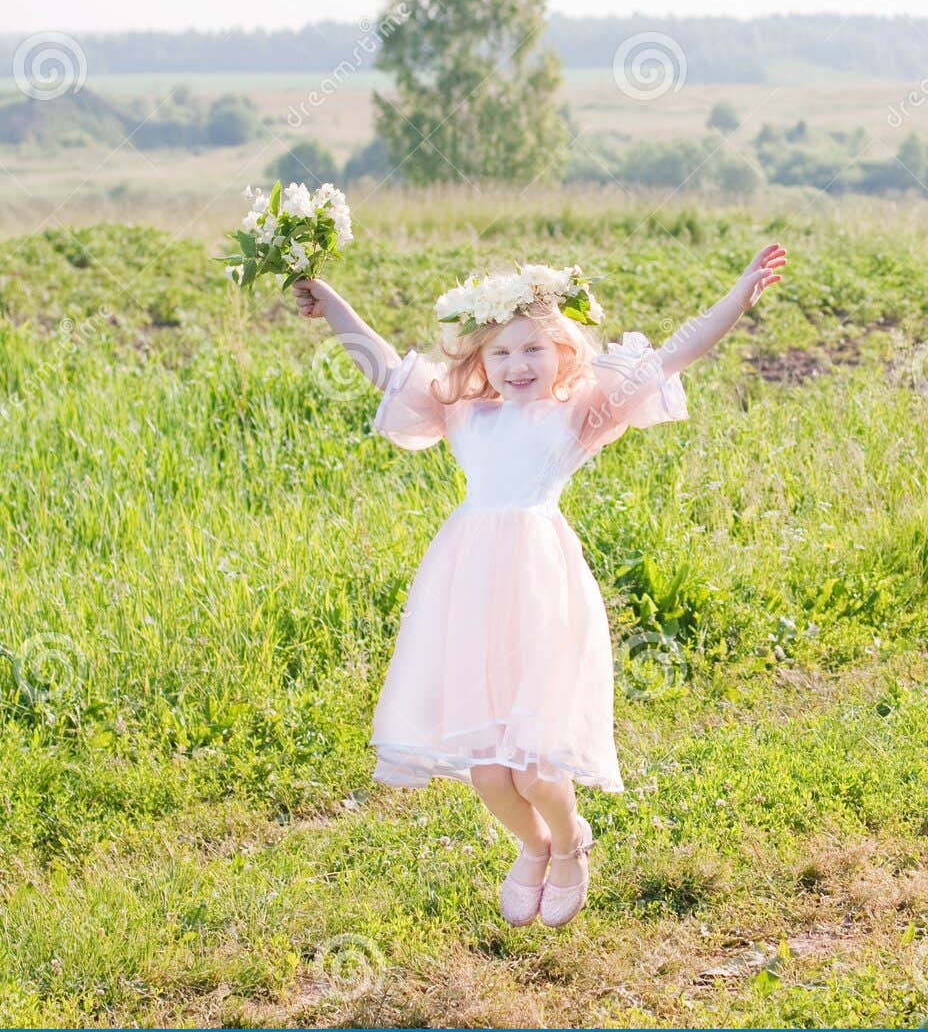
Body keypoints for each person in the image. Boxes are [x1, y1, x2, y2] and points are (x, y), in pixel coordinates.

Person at [290, 244, 786, 926]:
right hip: (467, 590)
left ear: (560, 350)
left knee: (535, 767)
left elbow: (673, 354)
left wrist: (737, 297)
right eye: (500, 354)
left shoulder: (580, 412)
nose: (517, 366)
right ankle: (534, 844)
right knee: (490, 772)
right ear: (479, 361)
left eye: (532, 350)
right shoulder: (464, 411)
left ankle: (571, 839)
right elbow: (381, 364)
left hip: (543, 589)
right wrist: (330, 300)